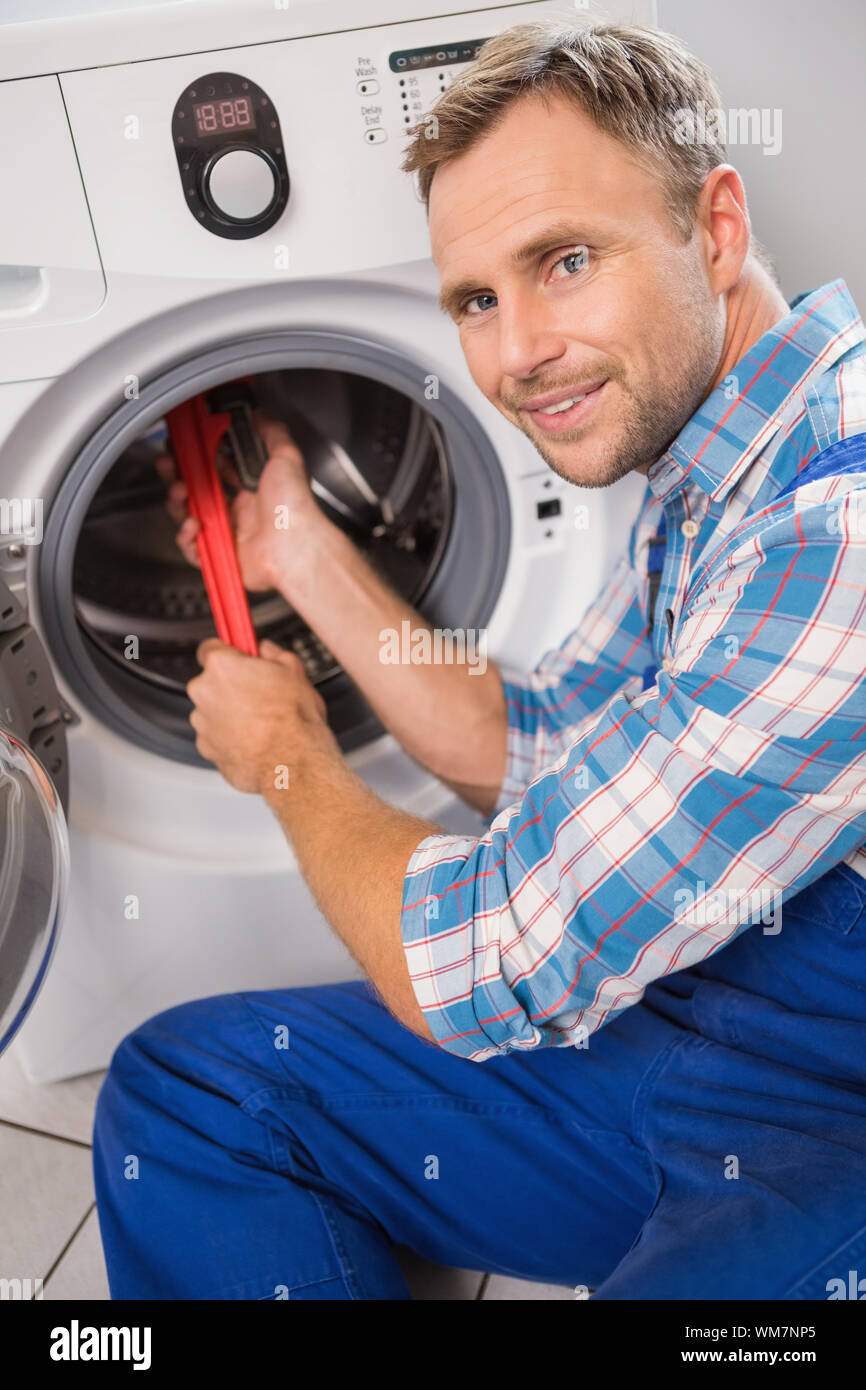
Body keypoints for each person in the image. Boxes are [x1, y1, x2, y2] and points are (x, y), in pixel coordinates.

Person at [92, 20, 866, 1300]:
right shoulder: (719, 463)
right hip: (690, 1022)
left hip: (839, 1114)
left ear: (714, 229)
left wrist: (288, 762)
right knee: (195, 1099)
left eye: (564, 260)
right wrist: (298, 547)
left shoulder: (835, 547)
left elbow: (490, 955)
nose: (514, 356)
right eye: (474, 299)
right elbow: (541, 738)